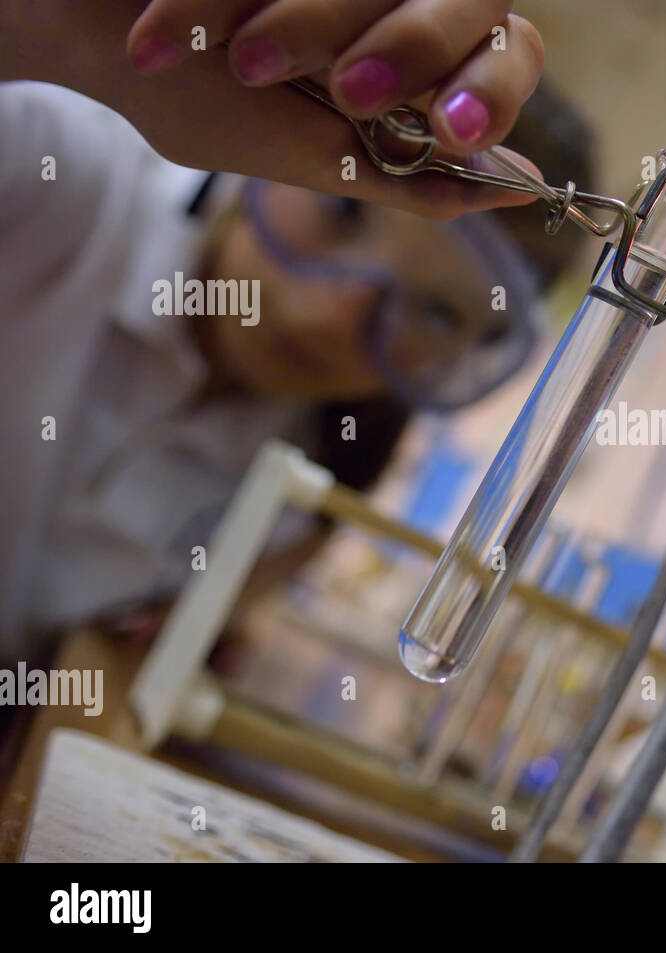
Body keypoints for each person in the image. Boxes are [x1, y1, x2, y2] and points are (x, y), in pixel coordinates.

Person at [0, 1, 596, 662]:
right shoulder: (59, 169)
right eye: (343, 210)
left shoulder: (316, 484)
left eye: (435, 312)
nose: (327, 315)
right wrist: (70, 39)